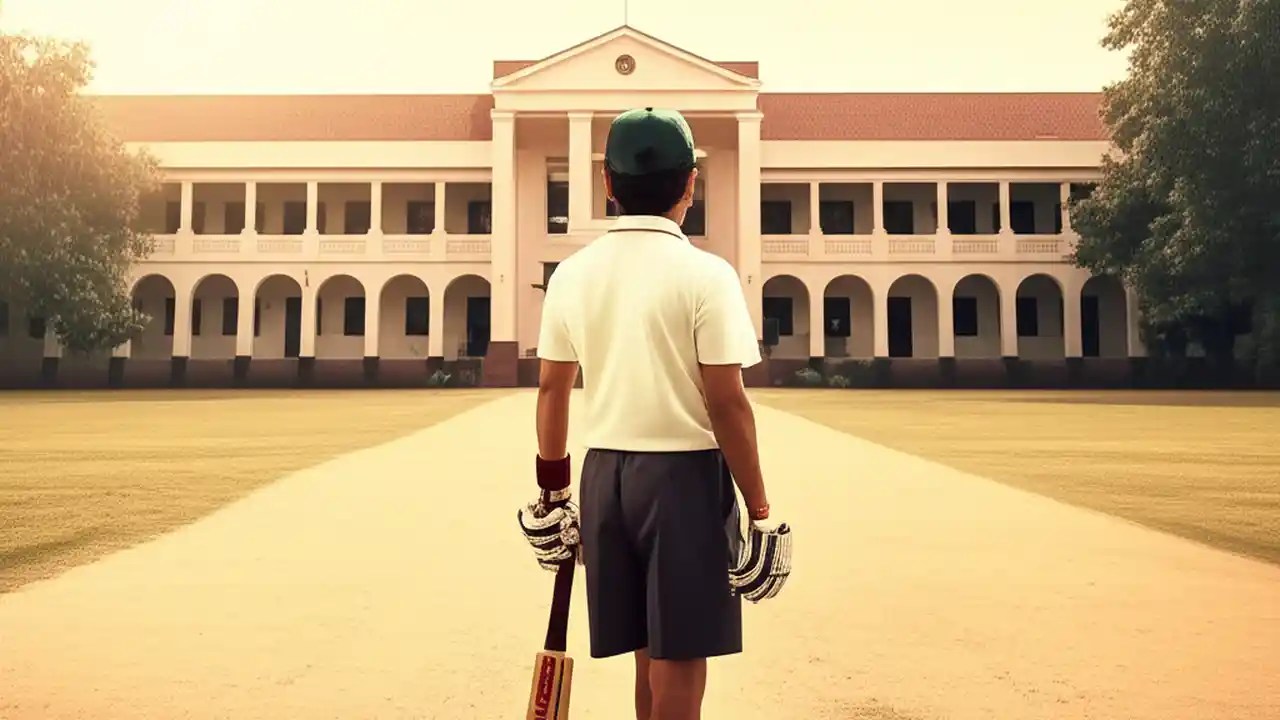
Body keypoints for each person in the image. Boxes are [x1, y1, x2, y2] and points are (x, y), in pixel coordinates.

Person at [519, 107, 791, 720]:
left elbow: (551, 390)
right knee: (681, 663)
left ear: (607, 185)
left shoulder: (570, 274)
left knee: (647, 654)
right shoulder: (706, 275)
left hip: (604, 477)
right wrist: (762, 511)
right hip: (684, 480)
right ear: (690, 185)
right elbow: (727, 403)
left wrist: (554, 493)